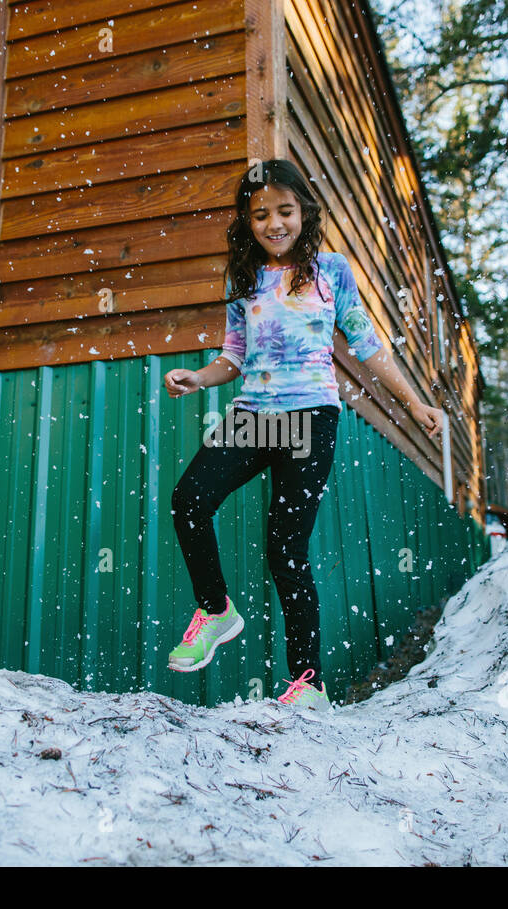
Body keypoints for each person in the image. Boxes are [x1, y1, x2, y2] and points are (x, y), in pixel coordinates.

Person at [163, 159, 441, 710]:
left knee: (284, 549)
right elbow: (234, 355)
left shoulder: (331, 270)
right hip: (253, 414)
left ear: (304, 211)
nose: (274, 223)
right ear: (246, 220)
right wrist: (199, 377)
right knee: (189, 500)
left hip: (311, 418)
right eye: (260, 214)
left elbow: (365, 343)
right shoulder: (241, 279)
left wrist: (414, 402)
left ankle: (307, 684)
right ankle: (216, 610)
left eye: (284, 211)